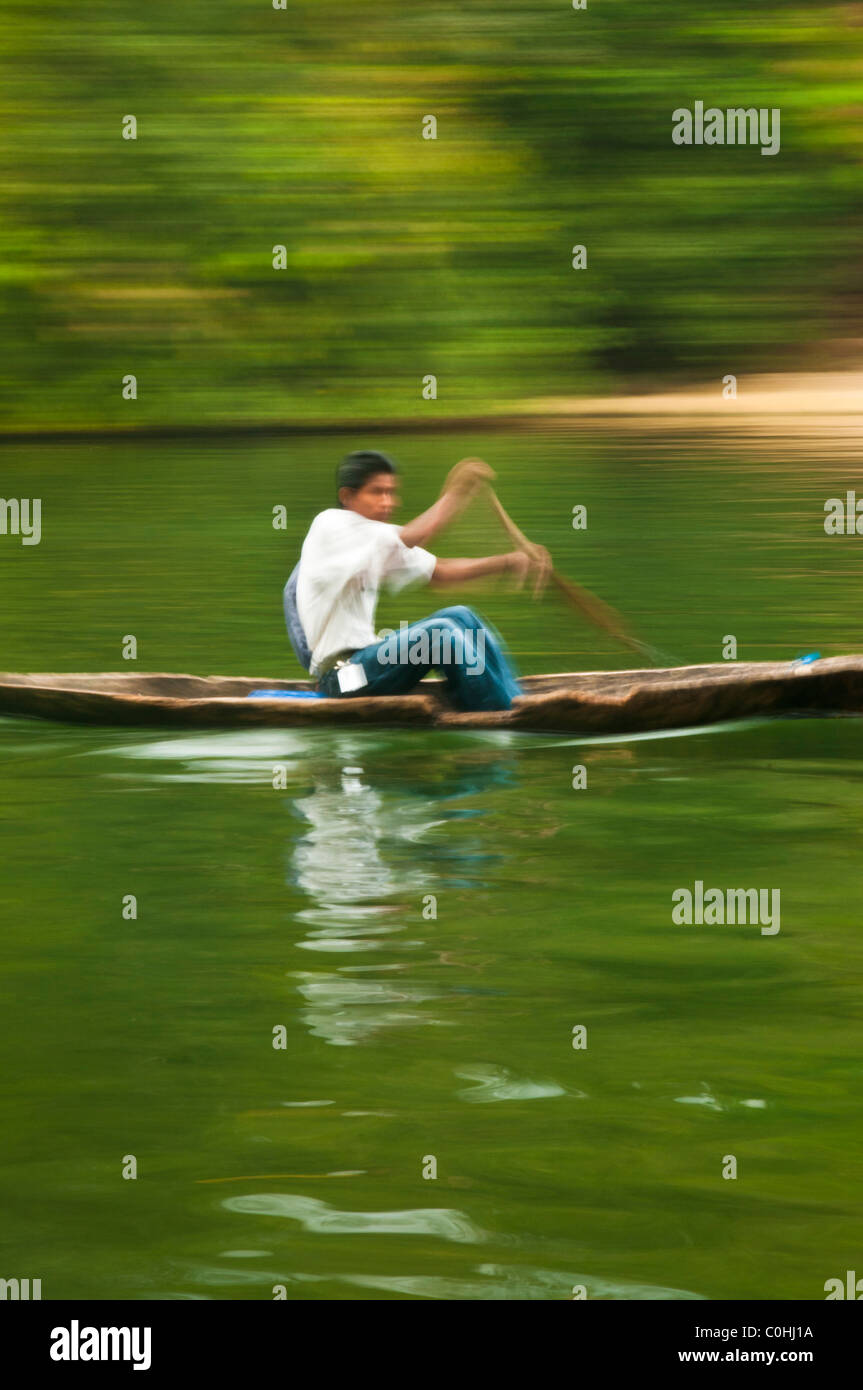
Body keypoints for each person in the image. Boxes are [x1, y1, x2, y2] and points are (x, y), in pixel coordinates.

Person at [295, 450, 542, 711]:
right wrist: (457, 493)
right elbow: (415, 536)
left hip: (365, 667)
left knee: (463, 617)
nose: (387, 502)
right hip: (342, 679)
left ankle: (515, 700)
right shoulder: (330, 524)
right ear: (347, 496)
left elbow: (440, 572)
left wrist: (508, 562)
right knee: (442, 634)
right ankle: (501, 714)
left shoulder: (375, 543)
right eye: (377, 492)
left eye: (391, 492)